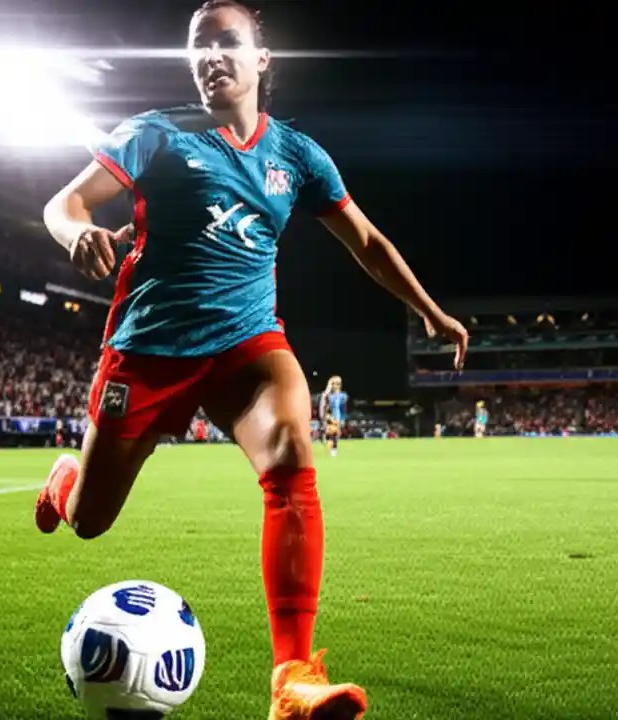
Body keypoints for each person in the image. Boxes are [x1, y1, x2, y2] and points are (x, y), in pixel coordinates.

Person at [33, 2, 468, 717]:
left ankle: (291, 678)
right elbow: (65, 203)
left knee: (292, 455)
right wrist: (76, 233)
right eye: (199, 44)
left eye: (227, 41)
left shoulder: (296, 155)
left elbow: (366, 241)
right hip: (149, 350)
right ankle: (63, 485)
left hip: (248, 344)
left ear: (261, 60)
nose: (212, 55)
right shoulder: (155, 134)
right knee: (89, 520)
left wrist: (428, 309)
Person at [319, 376, 347, 457]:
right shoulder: (326, 395)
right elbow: (322, 405)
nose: (336, 386)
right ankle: (330, 447)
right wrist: (327, 389)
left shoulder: (342, 396)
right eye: (334, 383)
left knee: (335, 434)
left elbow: (343, 408)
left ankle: (333, 449)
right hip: (327, 416)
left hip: (336, 416)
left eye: (338, 384)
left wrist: (343, 418)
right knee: (328, 434)